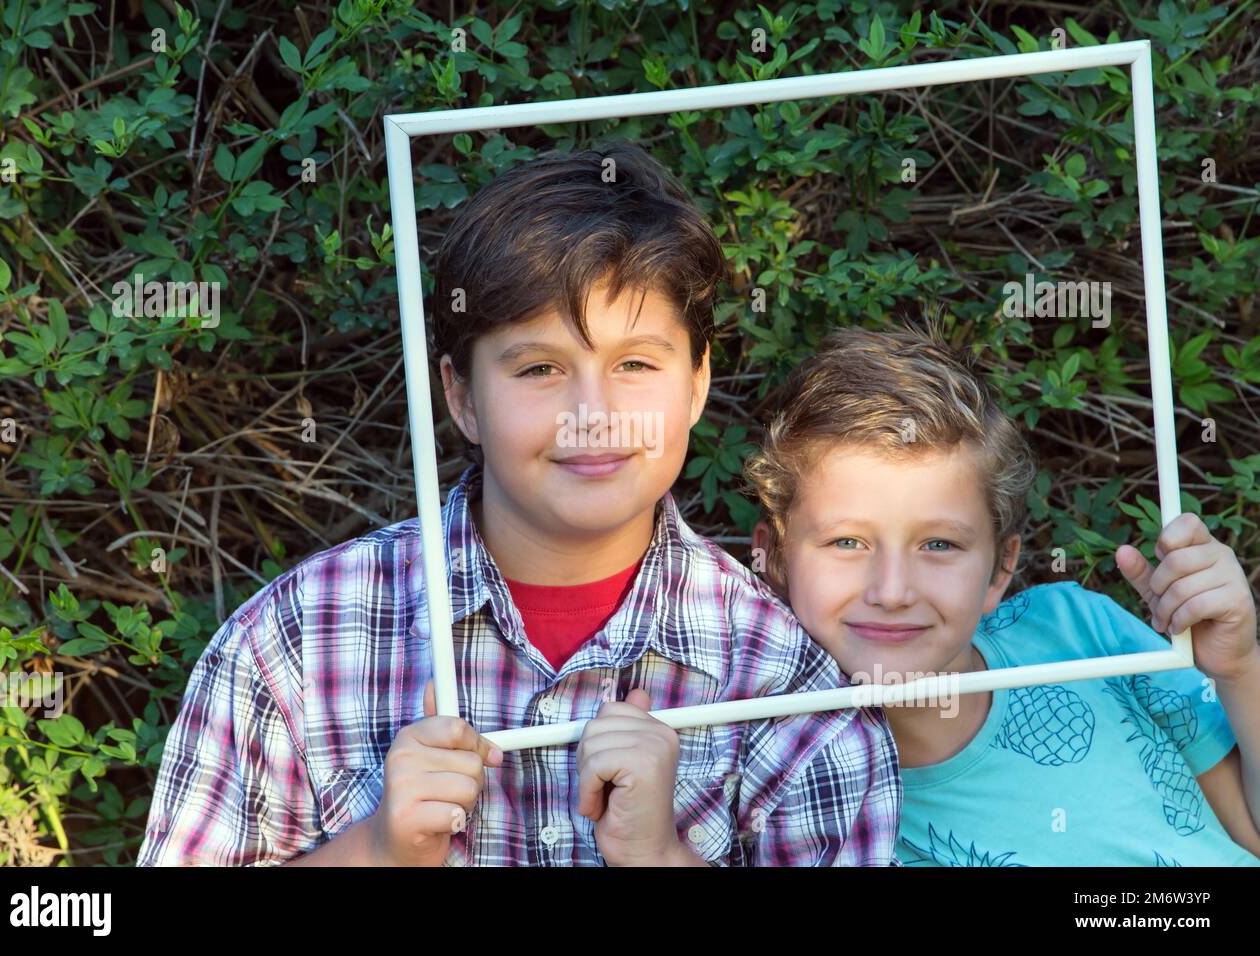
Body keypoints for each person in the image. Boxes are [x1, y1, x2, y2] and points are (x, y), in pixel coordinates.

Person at [137, 142, 901, 866]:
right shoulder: (293, 645)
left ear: (697, 383)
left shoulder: (791, 686)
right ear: (462, 398)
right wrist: (375, 852)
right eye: (538, 369)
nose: (593, 413)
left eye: (635, 363)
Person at [745, 323, 1260, 865]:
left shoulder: (1079, 632)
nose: (892, 591)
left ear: (1000, 570)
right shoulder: (800, 807)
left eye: (938, 544)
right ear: (775, 559)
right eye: (847, 541)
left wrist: (1239, 669)